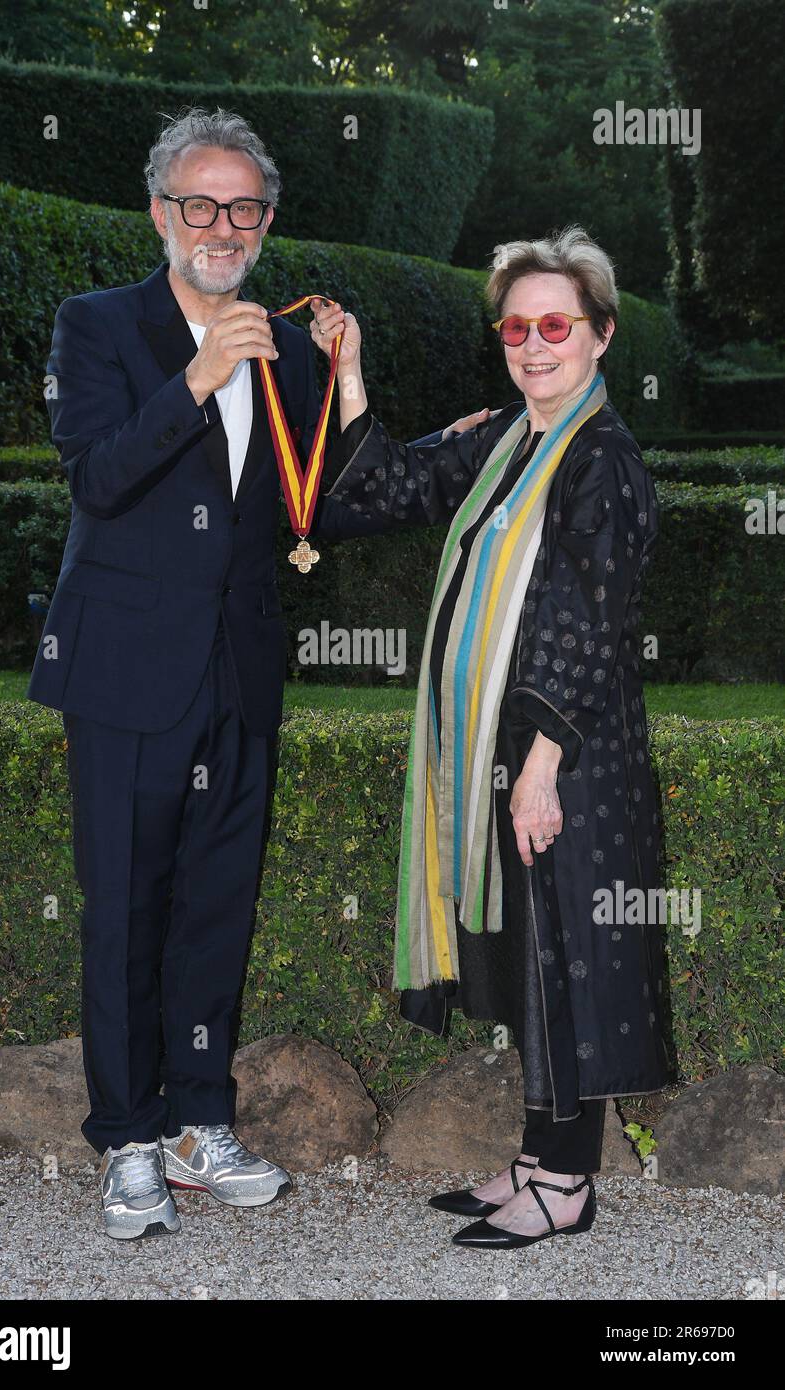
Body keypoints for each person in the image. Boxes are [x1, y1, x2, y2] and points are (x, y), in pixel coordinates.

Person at [26, 106, 422, 1239]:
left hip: (240, 670)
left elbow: (320, 514)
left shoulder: (290, 345)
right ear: (161, 212)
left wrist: (348, 387)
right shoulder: (97, 325)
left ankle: (201, 1123)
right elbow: (96, 478)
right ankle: (128, 1140)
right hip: (124, 673)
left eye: (243, 206)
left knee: (214, 908)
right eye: (199, 202)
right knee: (126, 912)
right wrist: (197, 377)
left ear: (265, 219)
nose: (222, 223)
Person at [310, 225, 675, 1250]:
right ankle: (532, 1158)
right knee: (529, 958)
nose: (531, 342)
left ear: (599, 336)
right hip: (497, 752)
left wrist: (542, 769)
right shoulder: (506, 440)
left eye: (554, 323)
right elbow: (382, 491)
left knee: (565, 962)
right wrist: (349, 376)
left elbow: (584, 619)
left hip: (566, 757)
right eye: (515, 326)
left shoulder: (600, 458)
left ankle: (565, 1185)